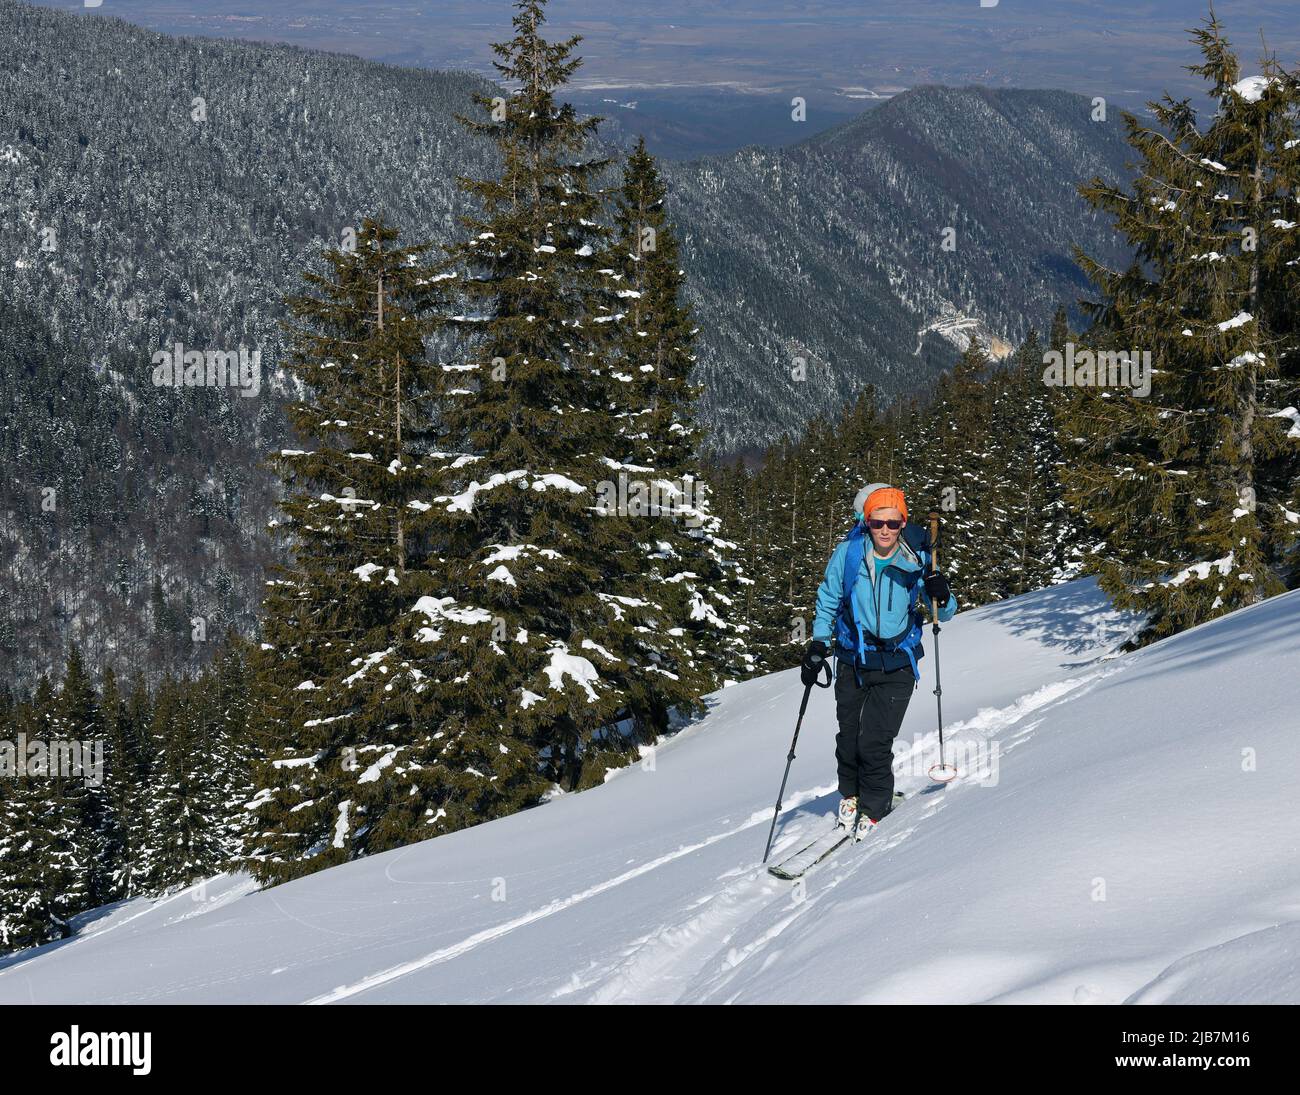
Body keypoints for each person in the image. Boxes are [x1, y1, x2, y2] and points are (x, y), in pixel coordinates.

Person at [799, 484, 957, 841]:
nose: (885, 530)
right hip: (853, 660)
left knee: (874, 741)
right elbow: (827, 599)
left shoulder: (916, 558)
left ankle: (874, 807)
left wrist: (941, 594)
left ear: (903, 523)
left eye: (893, 523)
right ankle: (850, 797)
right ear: (865, 522)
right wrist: (818, 645)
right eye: (877, 523)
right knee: (848, 737)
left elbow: (943, 612)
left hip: (898, 664)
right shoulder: (849, 554)